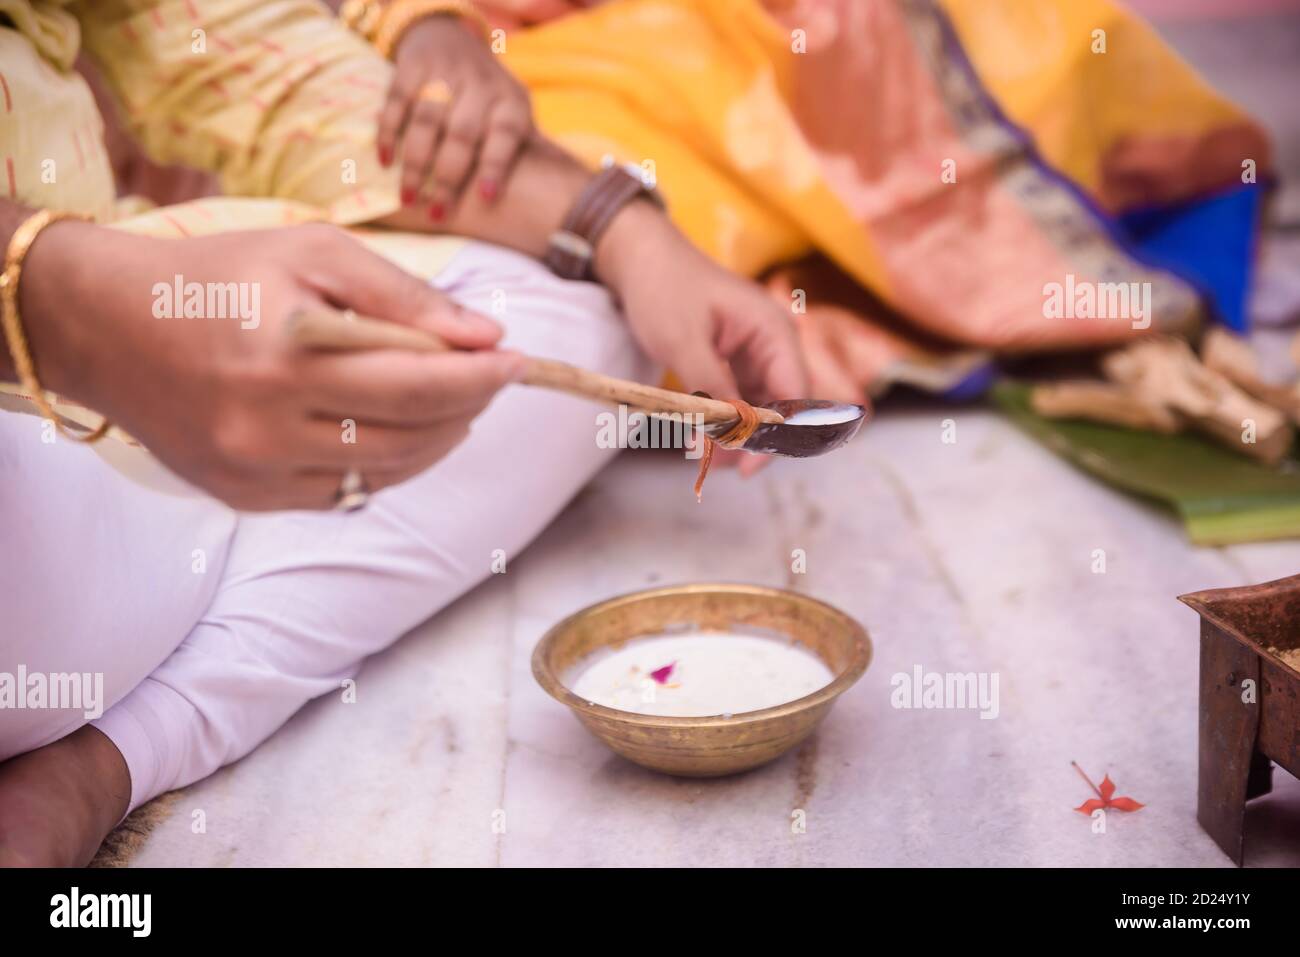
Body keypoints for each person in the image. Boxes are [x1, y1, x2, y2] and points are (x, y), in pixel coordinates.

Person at [0, 0, 806, 865]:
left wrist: (619, 227)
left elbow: (222, 49)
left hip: (99, 453)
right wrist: (69, 310)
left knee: (562, 311)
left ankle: (108, 754)